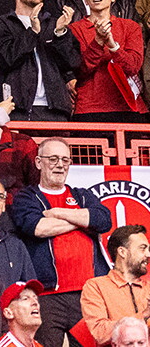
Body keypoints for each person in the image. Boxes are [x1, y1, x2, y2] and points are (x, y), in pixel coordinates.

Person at [12, 138, 111, 347]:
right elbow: (38, 227)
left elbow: (103, 220)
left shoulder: (82, 195)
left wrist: (58, 213)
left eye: (66, 160)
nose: (60, 165)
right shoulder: (27, 197)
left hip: (87, 294)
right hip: (47, 296)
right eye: (53, 159)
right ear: (39, 162)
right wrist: (82, 221)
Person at [81, 225, 150, 346]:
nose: (148, 254)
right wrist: (144, 315)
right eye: (142, 248)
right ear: (122, 252)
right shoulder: (96, 286)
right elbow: (100, 333)